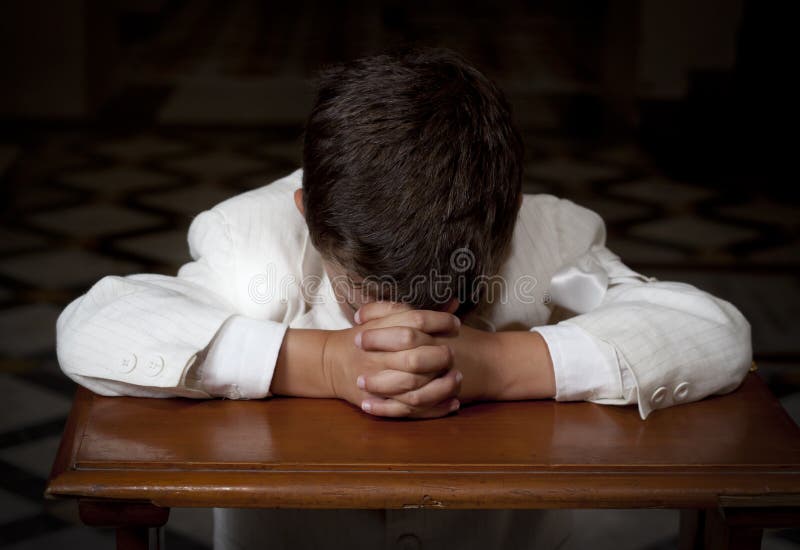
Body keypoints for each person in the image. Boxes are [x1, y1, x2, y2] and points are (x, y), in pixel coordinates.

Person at [55, 49, 752, 549]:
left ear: (510, 222)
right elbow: (96, 324)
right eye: (359, 293)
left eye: (445, 302)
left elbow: (709, 329)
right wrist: (322, 362)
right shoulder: (253, 250)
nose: (402, 331)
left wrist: (503, 364)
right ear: (306, 216)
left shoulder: (549, 250)